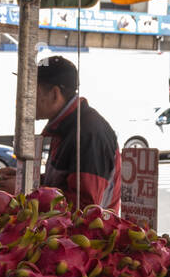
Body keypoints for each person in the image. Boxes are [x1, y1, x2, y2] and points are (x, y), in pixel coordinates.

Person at [36, 55, 121, 209]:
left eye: (34, 91)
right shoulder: (64, 126)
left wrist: (31, 193)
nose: (26, 98)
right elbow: (60, 185)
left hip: (91, 233)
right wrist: (28, 180)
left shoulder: (88, 133)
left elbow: (85, 206)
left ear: (55, 94)